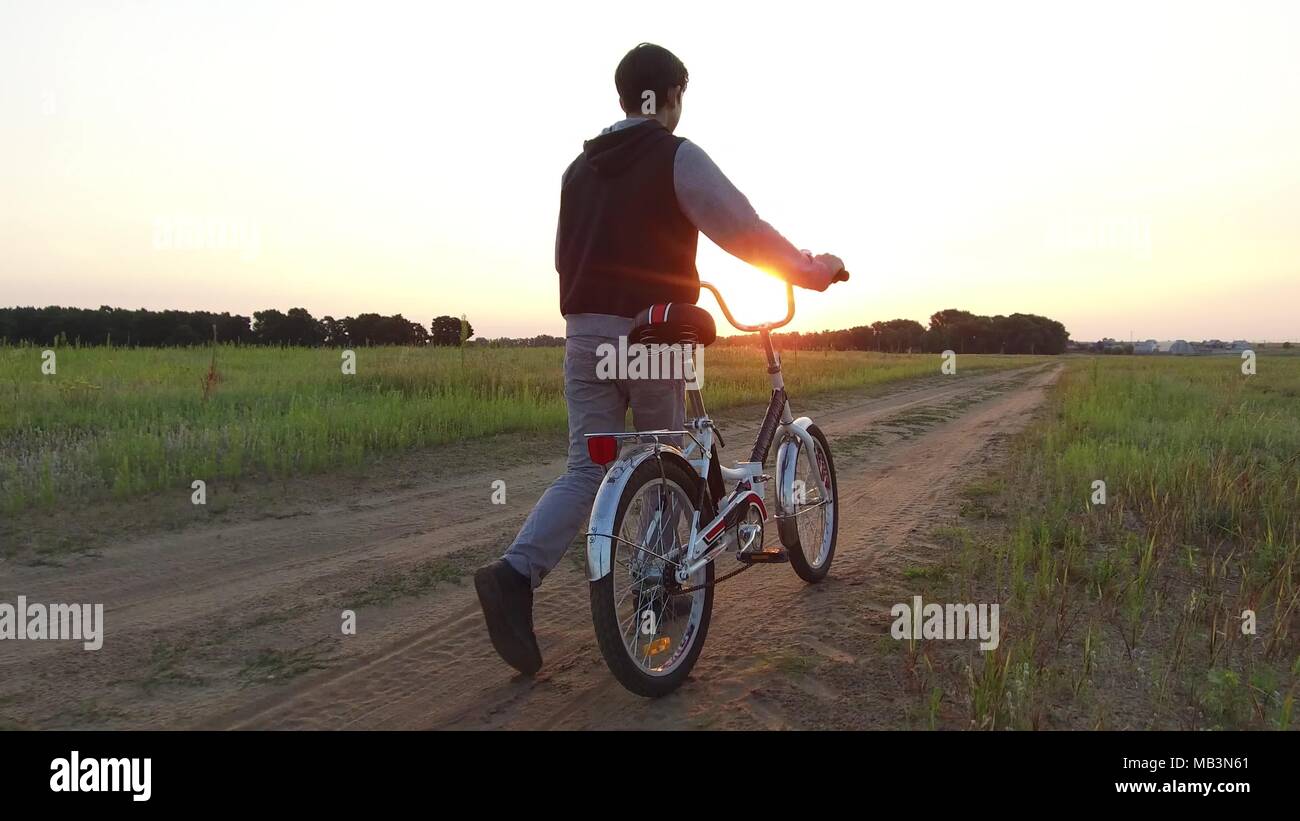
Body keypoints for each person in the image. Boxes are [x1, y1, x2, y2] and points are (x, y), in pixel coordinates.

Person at [474, 42, 845, 675]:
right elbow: (744, 230)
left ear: (625, 96)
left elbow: (565, 259)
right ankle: (662, 587)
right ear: (670, 95)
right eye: (680, 97)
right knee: (668, 462)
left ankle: (514, 575)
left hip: (585, 338)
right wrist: (812, 271)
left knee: (587, 469)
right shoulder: (675, 154)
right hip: (652, 335)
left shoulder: (576, 171)